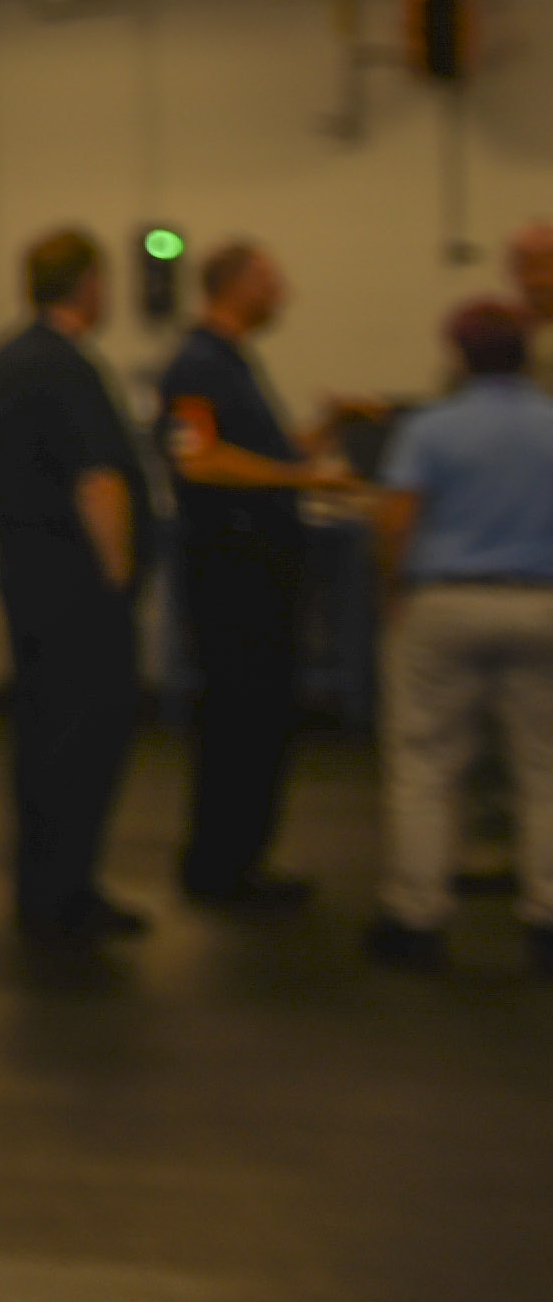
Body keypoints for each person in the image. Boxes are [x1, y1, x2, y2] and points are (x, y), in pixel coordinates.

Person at [153, 240, 360, 909]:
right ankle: (220, 867)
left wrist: (329, 428)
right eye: (271, 281)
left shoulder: (234, 365)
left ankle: (242, 858)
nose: (283, 294)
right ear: (235, 286)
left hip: (258, 575)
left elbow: (261, 455)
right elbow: (200, 461)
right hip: (232, 578)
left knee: (263, 718)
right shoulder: (197, 366)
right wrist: (302, 476)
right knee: (239, 721)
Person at [0, 227, 157, 951]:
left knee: (42, 736)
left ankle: (42, 887)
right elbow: (100, 480)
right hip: (79, 590)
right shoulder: (69, 367)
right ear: (89, 284)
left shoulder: (2, 363)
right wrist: (117, 580)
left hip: (26, 580)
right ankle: (67, 893)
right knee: (86, 742)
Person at [366, 296, 553, 975]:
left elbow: (397, 519)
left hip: (446, 602)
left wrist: (394, 593)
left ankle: (417, 916)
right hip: (540, 603)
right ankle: (546, 917)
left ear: (458, 355)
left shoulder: (432, 428)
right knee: (545, 768)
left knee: (424, 763)